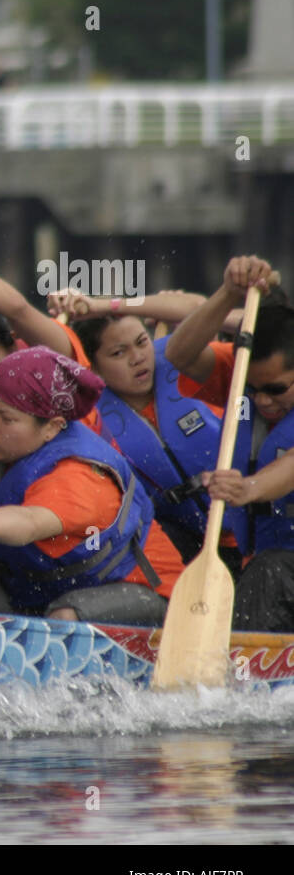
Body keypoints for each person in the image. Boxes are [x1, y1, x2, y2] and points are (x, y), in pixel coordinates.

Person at [0, 346, 184, 623]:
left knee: (64, 616)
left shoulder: (80, 475)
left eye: (7, 419)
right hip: (39, 590)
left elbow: (29, 521)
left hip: (145, 592)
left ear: (52, 427)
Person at [164, 255, 294, 633]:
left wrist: (247, 488)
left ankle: (237, 679)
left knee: (268, 571)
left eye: (276, 390)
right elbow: (178, 355)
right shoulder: (240, 375)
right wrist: (227, 293)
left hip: (278, 567)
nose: (263, 401)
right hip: (257, 557)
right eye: (254, 390)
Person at [69, 311, 245, 572]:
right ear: (92, 366)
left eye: (142, 342)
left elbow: (195, 306)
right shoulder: (89, 421)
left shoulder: (191, 362)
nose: (138, 358)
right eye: (119, 353)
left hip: (251, 522)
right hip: (187, 541)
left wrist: (117, 304)